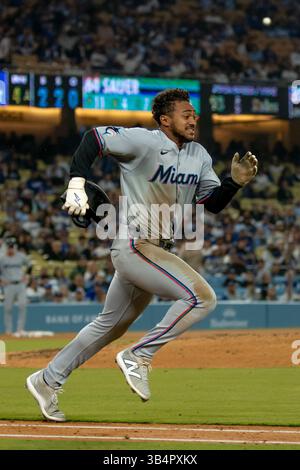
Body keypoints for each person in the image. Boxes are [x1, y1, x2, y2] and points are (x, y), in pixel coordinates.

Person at [26, 88, 258, 422]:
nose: (194, 119)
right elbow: (94, 138)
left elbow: (211, 204)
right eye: (186, 114)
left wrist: (233, 183)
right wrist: (77, 184)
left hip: (154, 249)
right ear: (166, 119)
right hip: (136, 243)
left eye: (194, 114)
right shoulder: (144, 141)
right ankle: (139, 355)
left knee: (109, 326)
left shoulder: (199, 155)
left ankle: (47, 380)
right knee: (202, 298)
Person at [0, 238, 31, 336]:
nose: (11, 249)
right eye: (9, 247)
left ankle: (20, 330)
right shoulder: (2, 258)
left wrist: (27, 276)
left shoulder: (21, 256)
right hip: (9, 285)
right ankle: (9, 331)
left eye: (12, 247)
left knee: (22, 305)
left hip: (20, 284)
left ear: (15, 247)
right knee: (8, 308)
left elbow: (30, 265)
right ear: (6, 247)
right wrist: (1, 280)